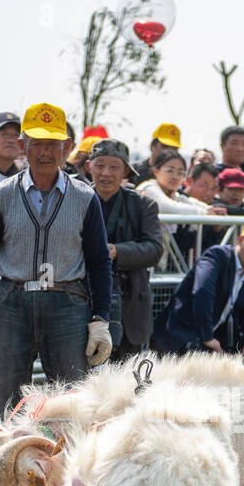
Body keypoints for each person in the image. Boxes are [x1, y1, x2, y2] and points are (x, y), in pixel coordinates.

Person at [0, 102, 112, 486]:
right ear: (23, 145)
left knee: (77, 400)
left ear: (67, 146)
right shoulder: (3, 196)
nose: (44, 151)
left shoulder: (84, 197)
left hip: (68, 301)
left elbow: (99, 262)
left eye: (52, 144)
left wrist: (101, 318)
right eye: (36, 143)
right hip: (13, 299)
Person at [151, 220, 244, 362]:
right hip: (181, 334)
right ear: (240, 240)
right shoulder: (217, 256)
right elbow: (203, 293)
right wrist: (207, 337)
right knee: (205, 355)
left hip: (211, 337)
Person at [85, 139, 163, 359]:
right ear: (89, 167)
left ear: (126, 171)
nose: (106, 173)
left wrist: (117, 251)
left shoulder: (143, 205)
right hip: (83, 301)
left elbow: (155, 248)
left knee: (126, 380)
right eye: (100, 165)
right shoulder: (78, 200)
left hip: (129, 304)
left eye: (114, 167)